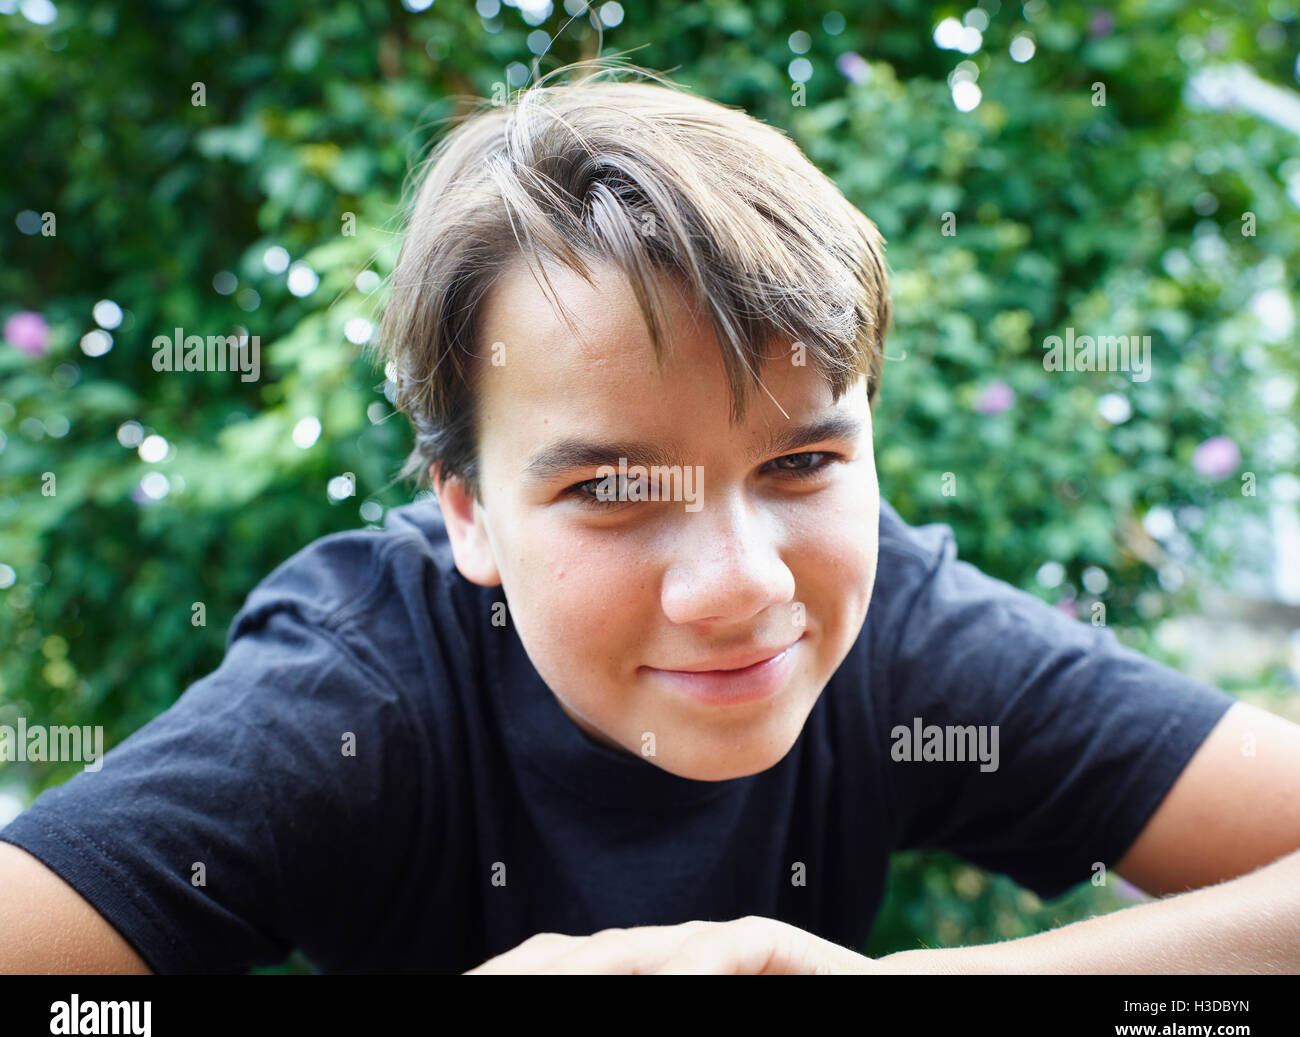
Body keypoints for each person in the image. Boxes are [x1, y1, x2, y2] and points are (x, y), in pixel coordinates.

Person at [3, 59, 1298, 975]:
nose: (741, 587)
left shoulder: (903, 640)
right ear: (468, 514)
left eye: (802, 467)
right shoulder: (362, 696)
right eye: (613, 492)